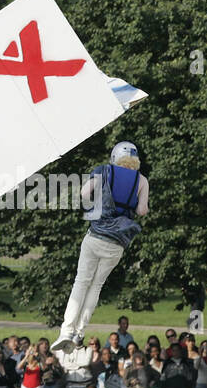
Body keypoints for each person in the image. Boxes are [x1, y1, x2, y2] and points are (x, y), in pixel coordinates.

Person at [51, 142, 150, 351]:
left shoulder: (103, 171)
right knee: (96, 286)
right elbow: (142, 211)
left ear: (114, 156)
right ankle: (79, 334)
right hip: (117, 243)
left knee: (81, 282)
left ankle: (67, 331)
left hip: (96, 236)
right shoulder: (142, 181)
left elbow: (84, 194)